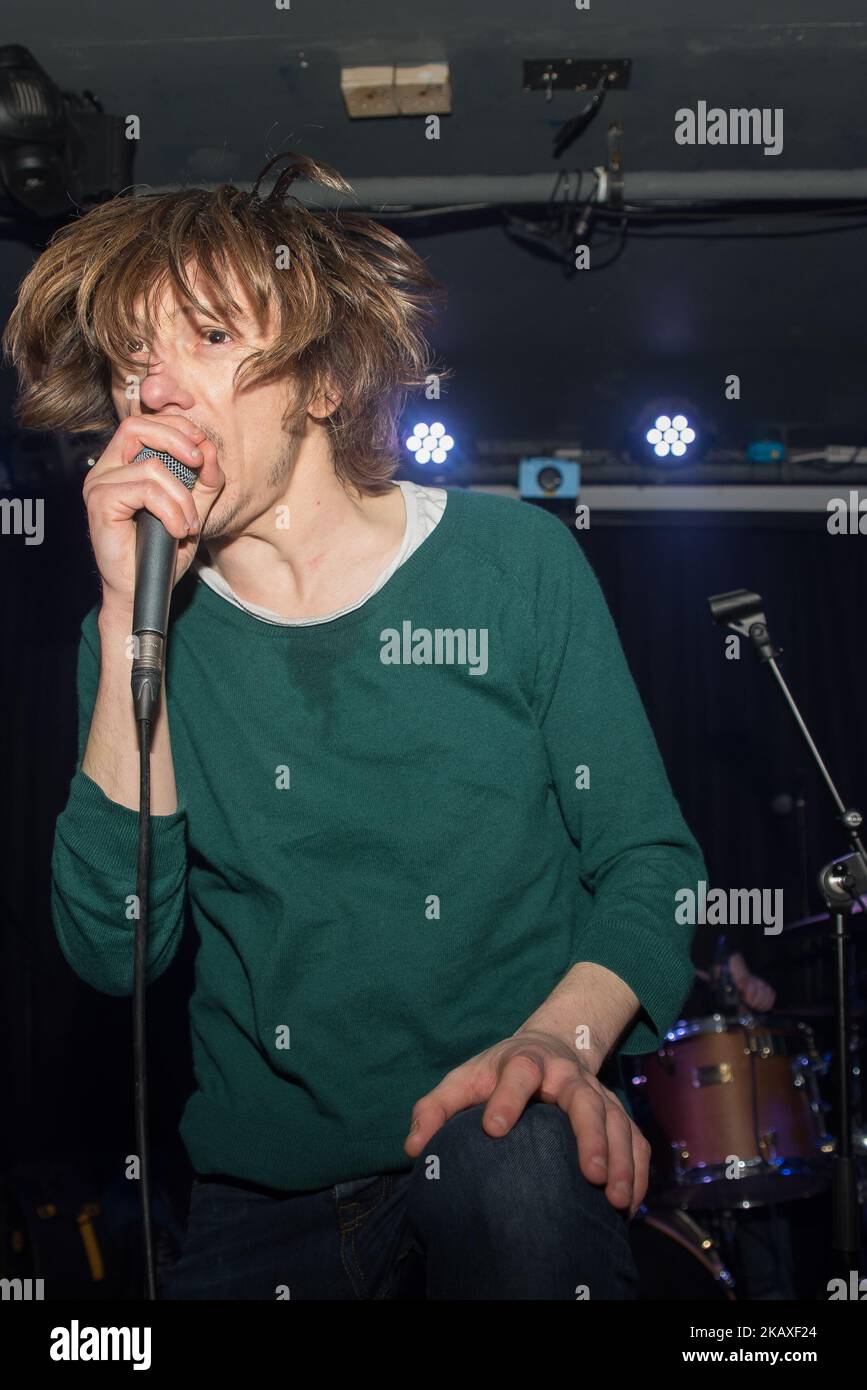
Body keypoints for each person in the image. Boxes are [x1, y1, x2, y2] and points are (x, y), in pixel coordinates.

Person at [4, 151, 707, 1300]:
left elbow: (650, 865)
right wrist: (129, 618)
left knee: (510, 1165)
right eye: (137, 362)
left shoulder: (512, 566)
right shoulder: (135, 631)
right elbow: (112, 947)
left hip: (497, 1130)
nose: (158, 391)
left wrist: (558, 1044)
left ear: (323, 382)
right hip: (258, 1200)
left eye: (212, 340)